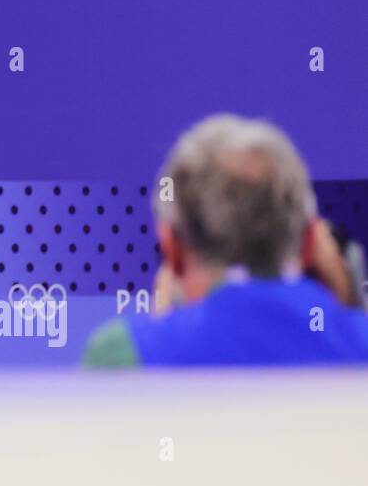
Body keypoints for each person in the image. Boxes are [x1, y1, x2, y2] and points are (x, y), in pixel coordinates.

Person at [83, 114, 368, 367]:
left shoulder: (122, 355)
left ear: (172, 248)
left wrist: (161, 332)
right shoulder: (356, 345)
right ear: (308, 244)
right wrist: (349, 313)